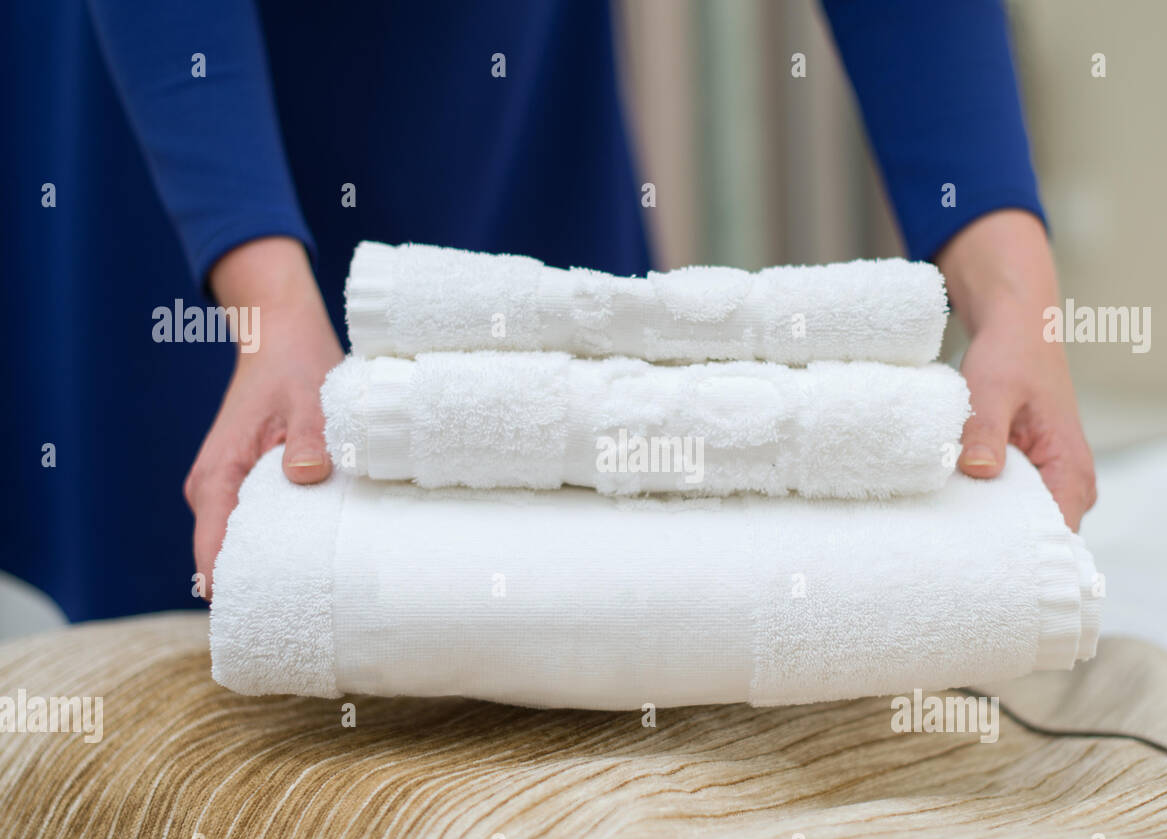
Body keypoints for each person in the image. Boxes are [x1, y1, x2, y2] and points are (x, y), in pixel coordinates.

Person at [3, 0, 1094, 623]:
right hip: (187, 130)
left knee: (567, 601)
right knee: (210, 681)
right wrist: (262, 294)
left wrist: (1013, 292)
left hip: (507, 105)